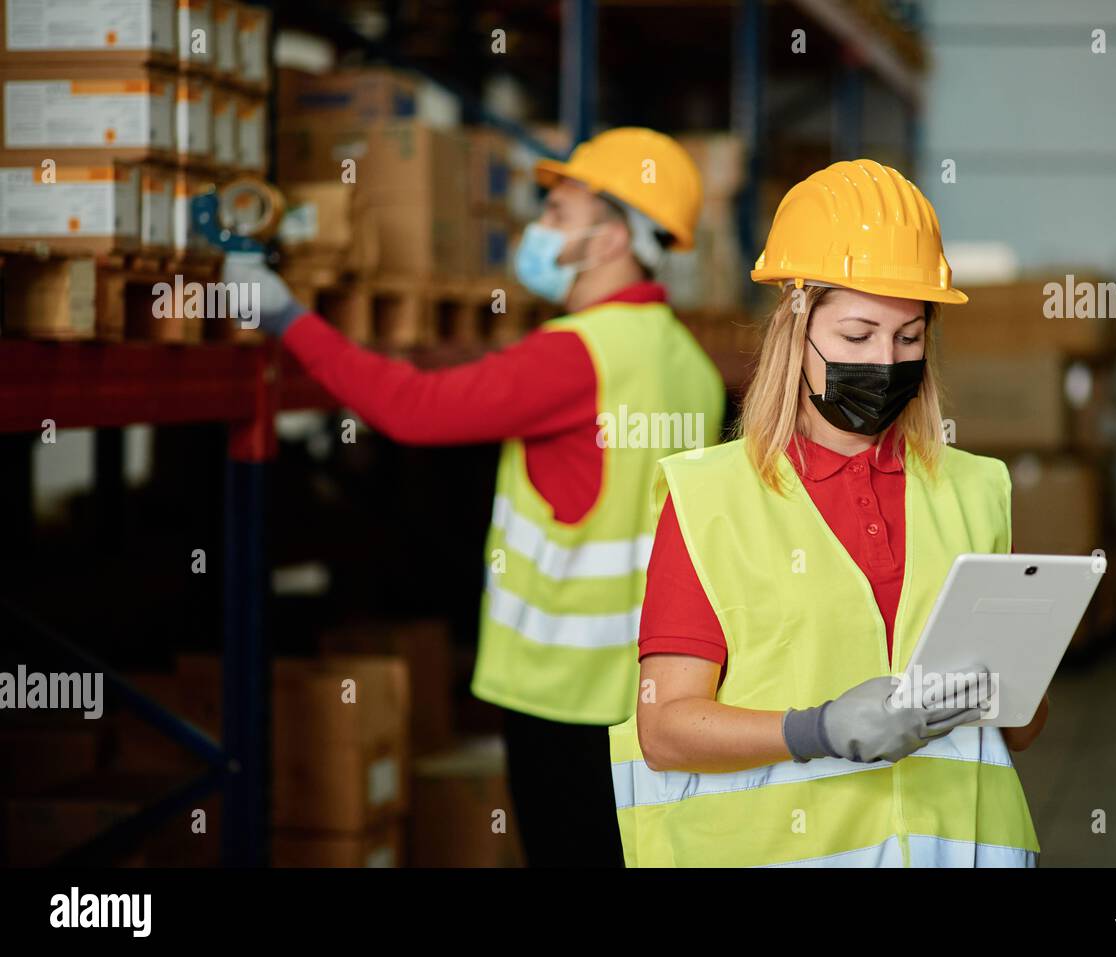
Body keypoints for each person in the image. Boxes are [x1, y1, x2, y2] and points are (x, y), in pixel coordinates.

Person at [225, 127, 726, 867]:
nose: (538, 228)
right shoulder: (690, 365)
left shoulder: (575, 353)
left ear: (612, 237)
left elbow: (412, 407)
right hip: (653, 688)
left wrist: (288, 319)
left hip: (563, 692)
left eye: (557, 213)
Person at [607, 159, 1047, 868]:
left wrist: (1016, 679)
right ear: (796, 325)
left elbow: (1020, 729)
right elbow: (665, 728)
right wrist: (816, 728)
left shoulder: (974, 490)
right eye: (857, 336)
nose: (884, 361)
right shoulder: (711, 498)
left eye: (909, 338)